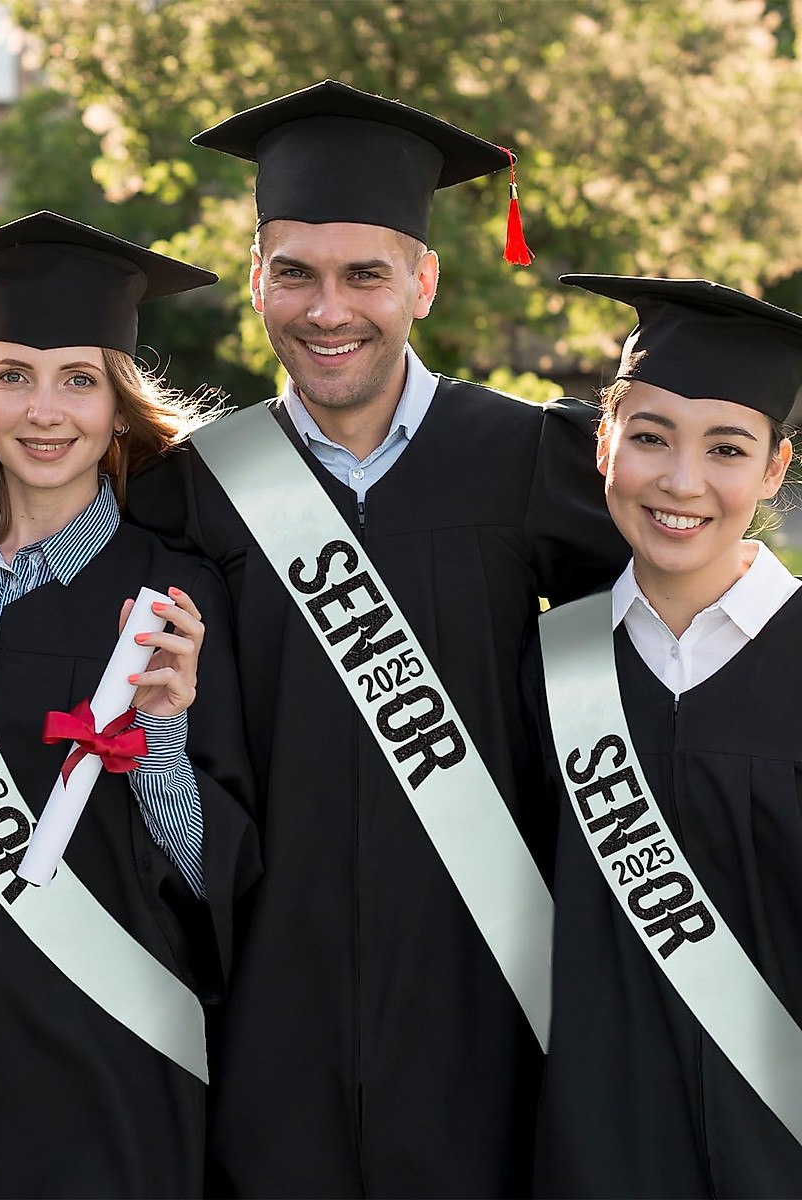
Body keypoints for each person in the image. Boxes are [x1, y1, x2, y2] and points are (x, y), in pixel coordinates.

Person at [125, 79, 630, 1198]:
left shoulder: (524, 459)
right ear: (256, 280)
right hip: (267, 1000)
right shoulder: (200, 488)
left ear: (423, 282)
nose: (328, 309)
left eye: (365, 274)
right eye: (295, 272)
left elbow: (685, 599)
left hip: (482, 990)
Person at [0, 212, 260, 1199]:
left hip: (109, 1076)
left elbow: (226, 873)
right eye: (14, 377)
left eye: (80, 380)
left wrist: (164, 745)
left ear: (120, 407)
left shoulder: (177, 601)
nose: (45, 413)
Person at [529, 274, 802, 1198]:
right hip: (590, 1153)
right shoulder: (549, 665)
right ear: (603, 443)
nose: (682, 482)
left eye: (727, 449)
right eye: (649, 437)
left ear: (773, 469)